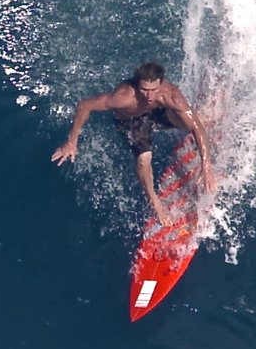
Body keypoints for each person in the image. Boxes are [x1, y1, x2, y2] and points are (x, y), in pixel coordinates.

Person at [51, 62, 216, 227]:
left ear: (161, 83)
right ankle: (154, 202)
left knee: (198, 121)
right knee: (144, 158)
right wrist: (71, 141)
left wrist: (206, 165)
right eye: (144, 90)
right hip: (131, 120)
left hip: (156, 113)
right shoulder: (123, 97)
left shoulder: (170, 95)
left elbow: (195, 126)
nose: (149, 96)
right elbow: (84, 106)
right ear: (138, 85)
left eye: (154, 90)